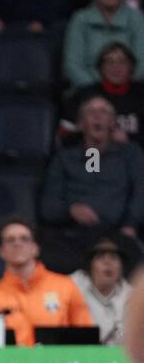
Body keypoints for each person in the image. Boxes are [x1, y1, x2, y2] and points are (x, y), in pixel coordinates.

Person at [39, 95, 144, 274]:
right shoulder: (64, 158)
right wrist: (70, 210)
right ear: (80, 124)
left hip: (117, 235)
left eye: (103, 112)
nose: (97, 116)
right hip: (71, 237)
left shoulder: (130, 154)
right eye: (91, 112)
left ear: (113, 123)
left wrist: (130, 225)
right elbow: (48, 207)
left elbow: (140, 192)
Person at [0, 218, 96, 331]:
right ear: (1, 251)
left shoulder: (66, 287)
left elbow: (85, 338)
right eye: (10, 240)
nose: (17, 244)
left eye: (24, 239)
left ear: (35, 248)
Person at [61, 43, 144, 148]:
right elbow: (65, 135)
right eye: (109, 62)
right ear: (101, 68)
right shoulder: (83, 95)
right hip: (90, 156)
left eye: (122, 62)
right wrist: (94, 138)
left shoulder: (141, 94)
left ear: (131, 67)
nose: (115, 67)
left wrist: (129, 141)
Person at [63, 0, 144, 89]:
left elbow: (142, 64)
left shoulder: (137, 19)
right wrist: (95, 90)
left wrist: (124, 89)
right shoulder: (80, 20)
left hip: (130, 90)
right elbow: (72, 66)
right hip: (88, 91)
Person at [72, 237, 133, 342]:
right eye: (100, 257)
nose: (107, 262)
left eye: (114, 257)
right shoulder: (71, 286)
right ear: (89, 266)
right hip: (80, 354)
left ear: (121, 268)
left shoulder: (133, 296)